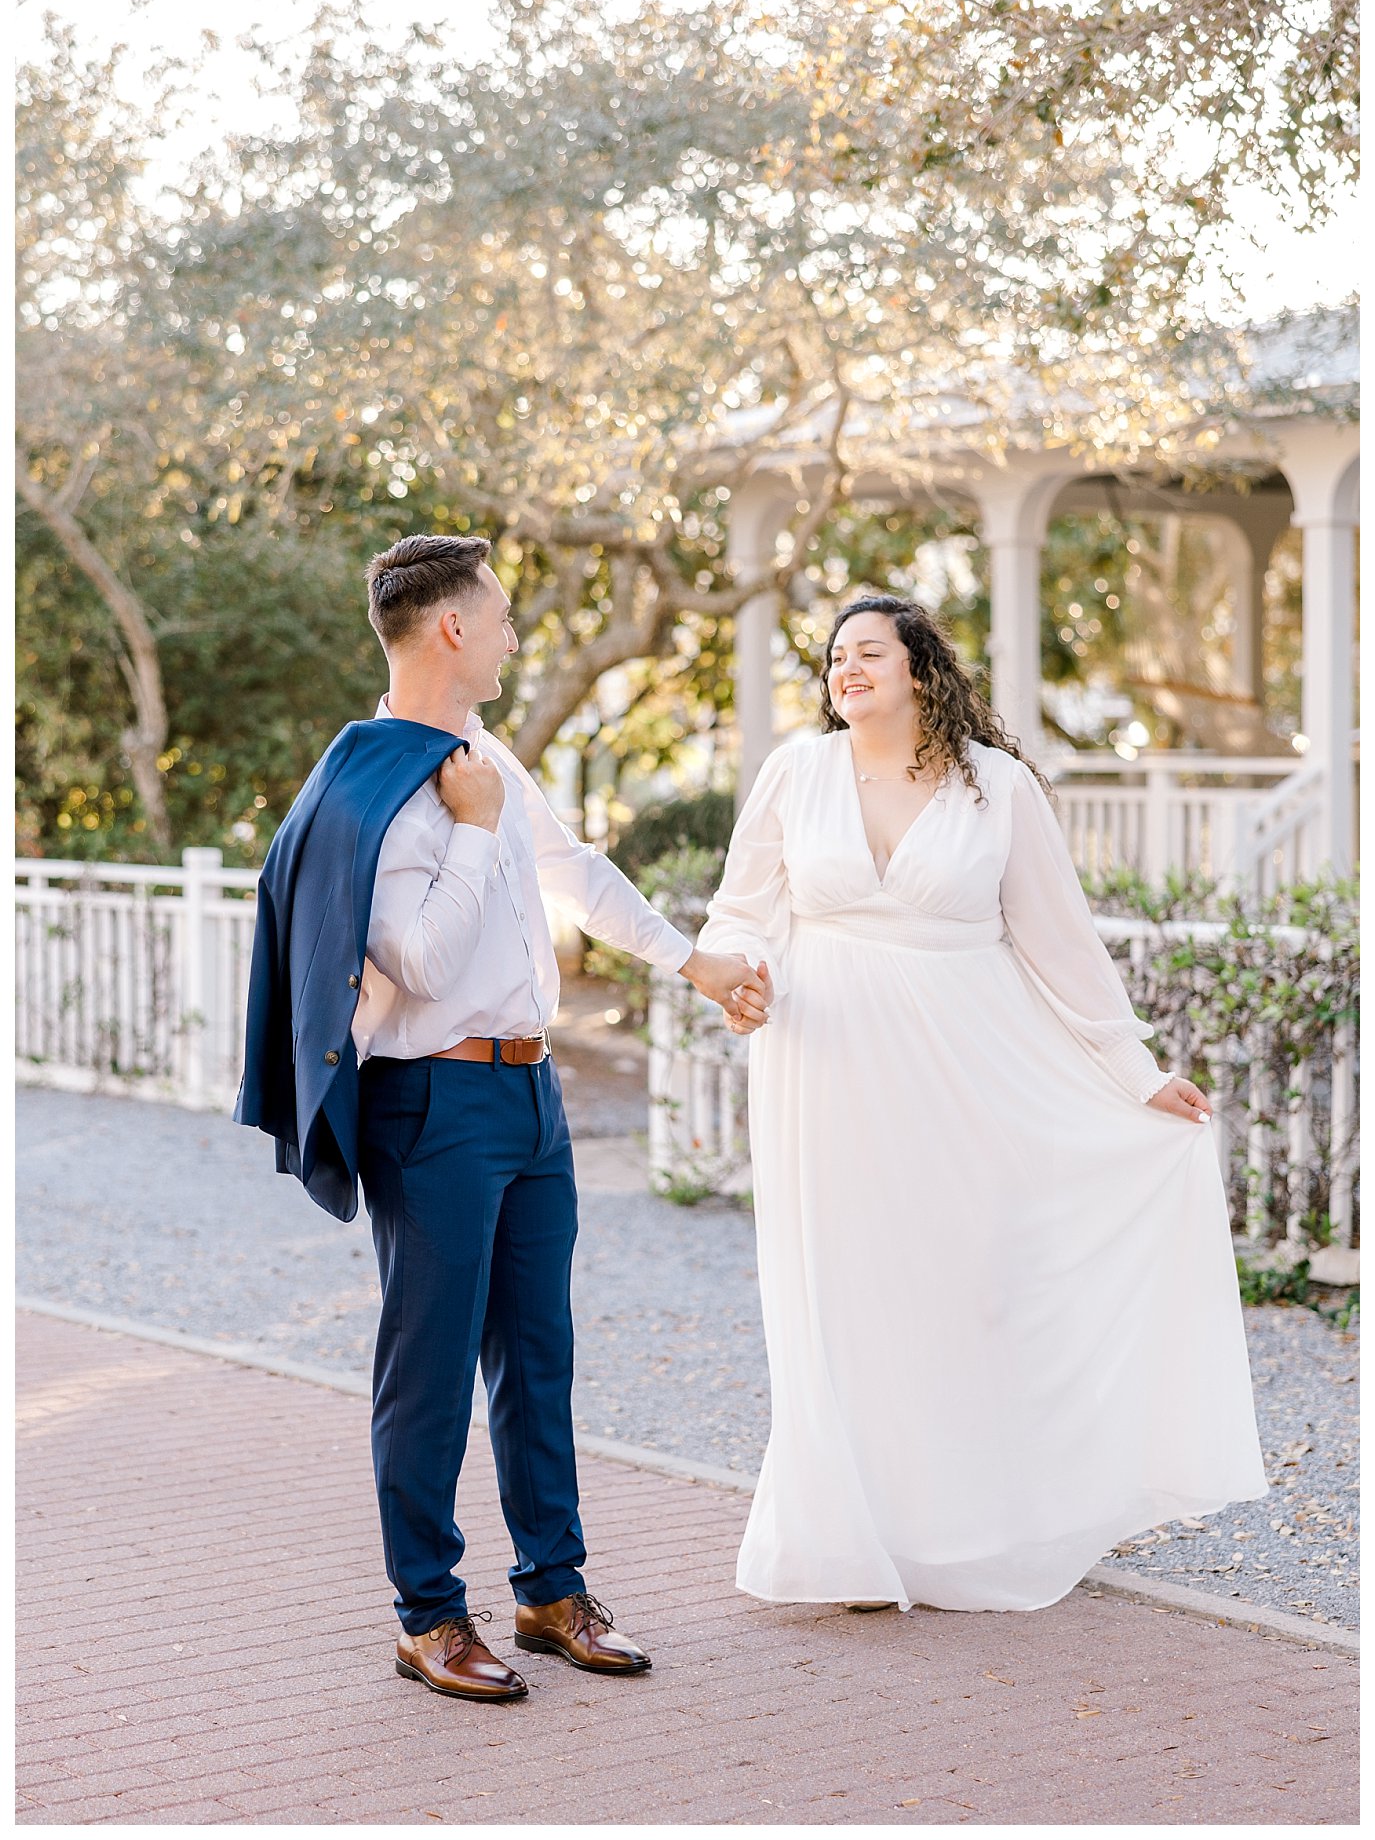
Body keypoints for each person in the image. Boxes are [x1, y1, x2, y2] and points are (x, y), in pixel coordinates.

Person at [237, 533, 764, 1700]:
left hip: (530, 1091)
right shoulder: (362, 788)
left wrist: (696, 963)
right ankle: (428, 1612)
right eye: (504, 612)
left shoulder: (488, 758)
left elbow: (573, 870)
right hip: (430, 1102)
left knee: (539, 1354)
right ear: (451, 629)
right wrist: (473, 827)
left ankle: (548, 1588)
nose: (518, 632)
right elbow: (417, 962)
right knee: (426, 1365)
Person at [695, 593, 1267, 1615]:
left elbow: (1059, 942)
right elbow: (743, 908)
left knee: (966, 1283)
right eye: (835, 657)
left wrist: (1133, 1071)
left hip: (964, 1069)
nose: (846, 668)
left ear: (918, 667)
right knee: (837, 1292)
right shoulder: (794, 771)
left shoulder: (992, 785)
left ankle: (974, 1524)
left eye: (868, 651)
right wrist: (738, 971)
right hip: (821, 1070)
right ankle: (848, 1537)